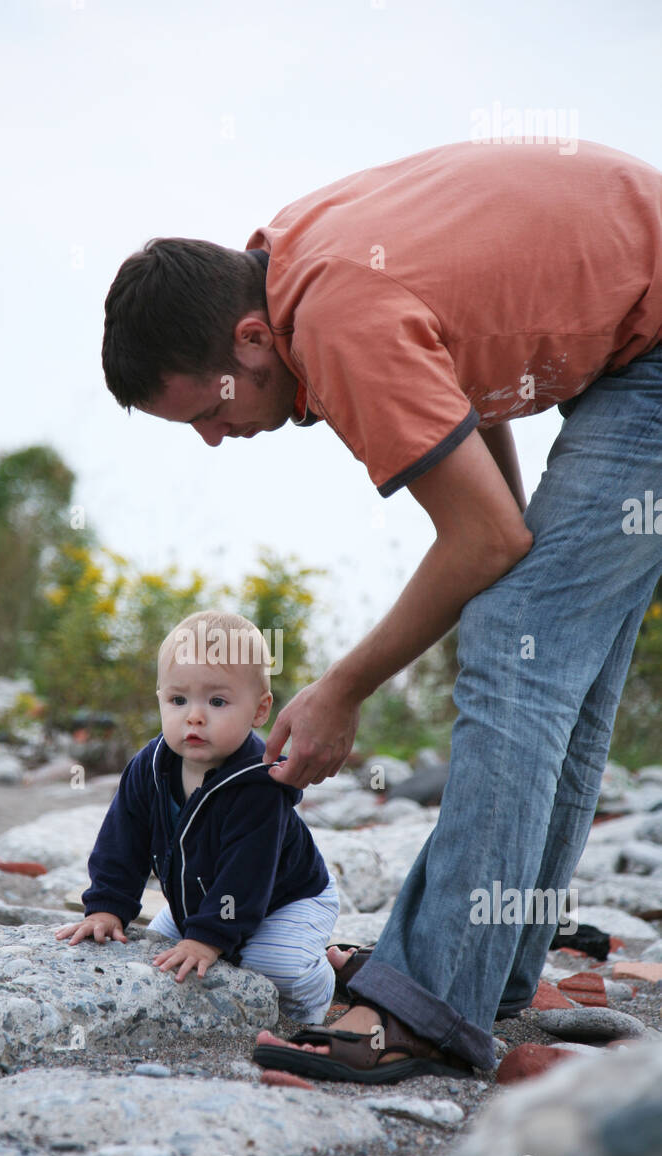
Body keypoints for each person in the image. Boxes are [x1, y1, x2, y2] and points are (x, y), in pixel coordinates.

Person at [100, 137, 662, 1082]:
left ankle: (432, 1006)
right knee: (554, 658)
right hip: (636, 322)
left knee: (520, 652)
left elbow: (486, 541)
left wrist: (341, 689)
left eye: (207, 409)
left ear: (247, 339)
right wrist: (506, 551)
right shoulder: (289, 262)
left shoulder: (335, 317)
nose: (210, 439)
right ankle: (495, 969)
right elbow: (485, 447)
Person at [55, 610, 341, 1025]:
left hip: (288, 898)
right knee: (159, 953)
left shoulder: (258, 786)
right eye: (178, 700)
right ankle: (220, 935)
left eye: (217, 701)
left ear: (259, 711)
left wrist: (208, 938)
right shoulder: (149, 766)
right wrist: (107, 907)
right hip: (200, 900)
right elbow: (122, 841)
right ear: (160, 698)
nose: (194, 716)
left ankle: (325, 983)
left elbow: (247, 873)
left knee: (270, 966)